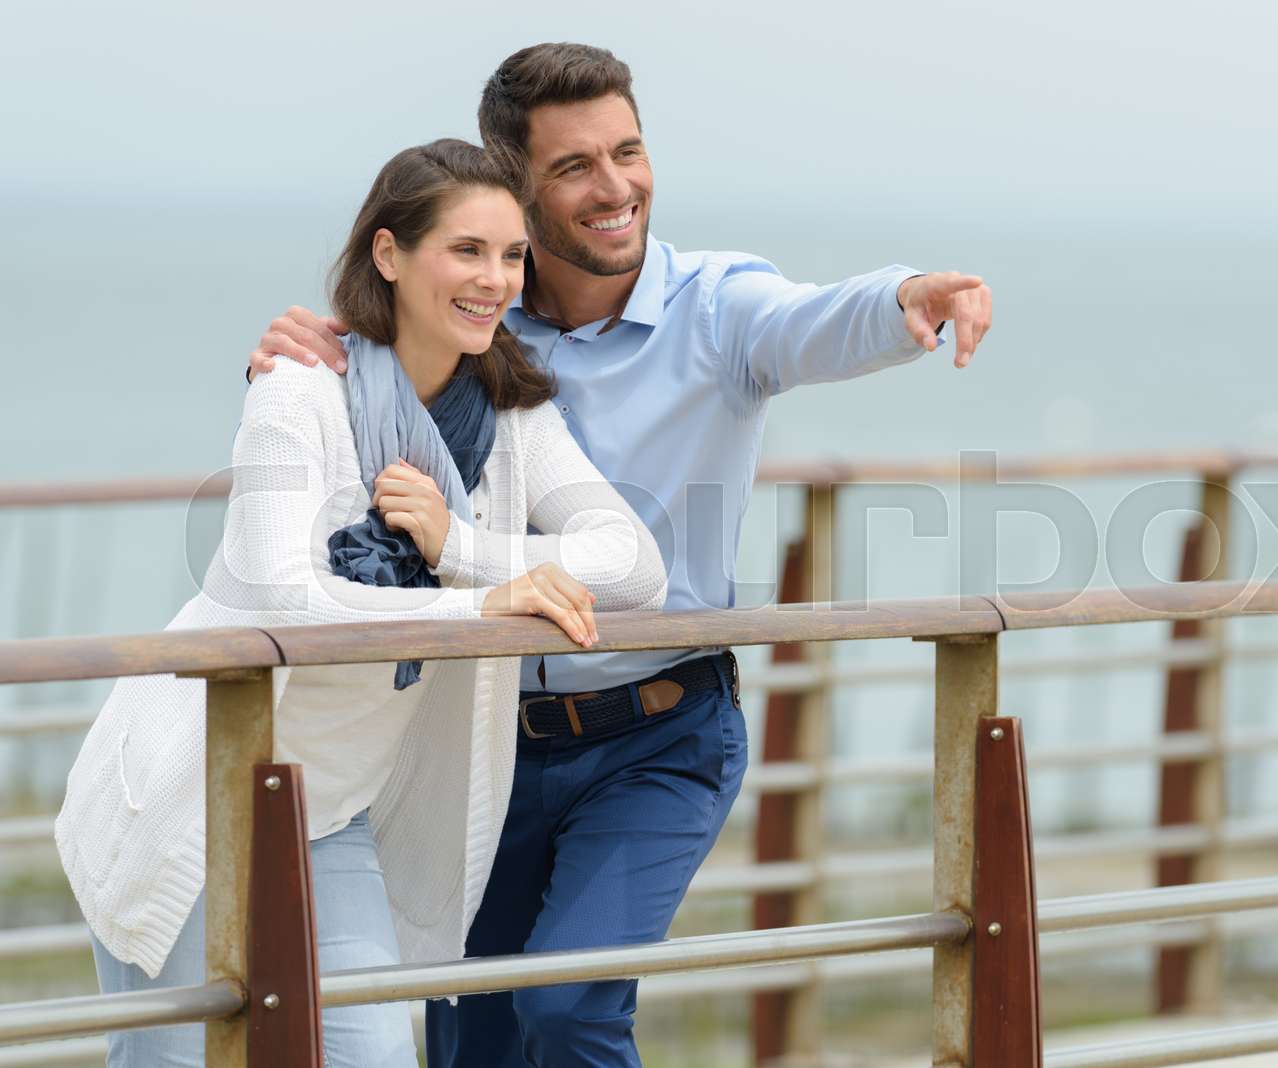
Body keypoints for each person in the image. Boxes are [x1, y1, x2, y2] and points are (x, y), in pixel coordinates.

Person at [248, 42, 995, 1068]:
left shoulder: (717, 308)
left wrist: (902, 299)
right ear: (514, 192)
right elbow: (360, 392)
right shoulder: (478, 325)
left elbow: (810, 318)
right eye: (573, 168)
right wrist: (294, 355)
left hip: (657, 734)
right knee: (475, 1035)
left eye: (628, 152)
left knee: (569, 1011)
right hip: (486, 743)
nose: (615, 189)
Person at [58, 137, 666, 1067]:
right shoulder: (299, 389)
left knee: (375, 1054)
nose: (495, 280)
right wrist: (484, 607)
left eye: (511, 256)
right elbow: (281, 597)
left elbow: (632, 565)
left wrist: (457, 546)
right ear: (389, 255)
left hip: (326, 811)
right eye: (466, 250)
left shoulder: (511, 416)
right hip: (193, 793)